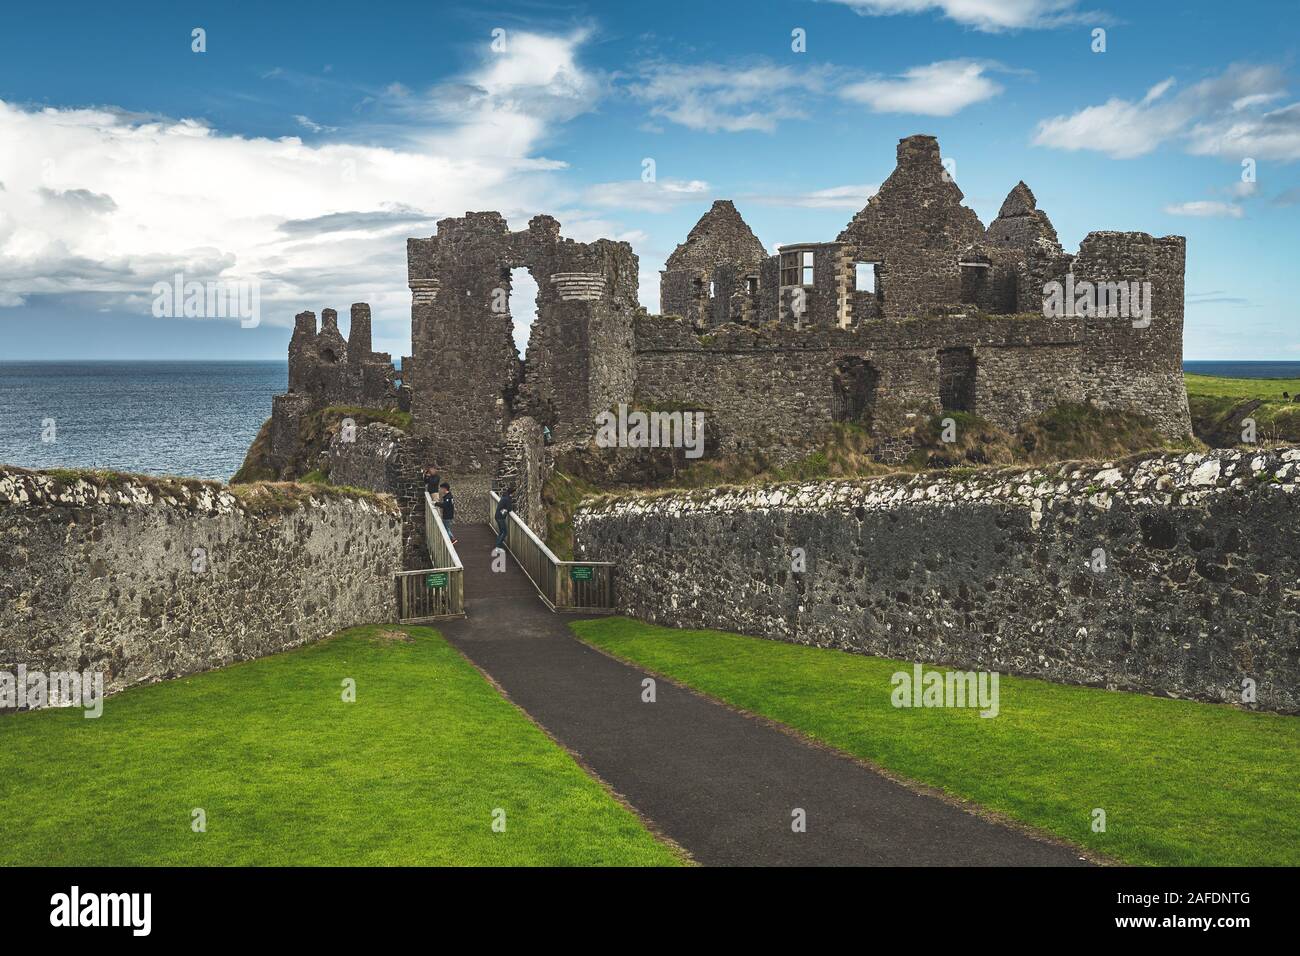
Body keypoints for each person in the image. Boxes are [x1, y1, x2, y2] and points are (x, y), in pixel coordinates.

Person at [494, 485, 515, 551]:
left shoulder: (504, 497)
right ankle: (498, 547)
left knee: (501, 532)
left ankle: (497, 545)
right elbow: (510, 509)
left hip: (497, 516)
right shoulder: (507, 499)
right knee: (504, 532)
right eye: (513, 493)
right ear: (511, 493)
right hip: (500, 517)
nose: (514, 494)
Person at [438, 481, 457, 546]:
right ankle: (452, 539)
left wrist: (436, 504)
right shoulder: (449, 496)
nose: (440, 490)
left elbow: (444, 505)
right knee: (447, 528)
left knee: (446, 528)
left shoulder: (448, 497)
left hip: (447, 515)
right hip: (449, 514)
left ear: (445, 488)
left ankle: (452, 539)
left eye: (441, 488)